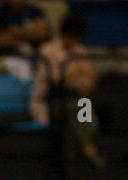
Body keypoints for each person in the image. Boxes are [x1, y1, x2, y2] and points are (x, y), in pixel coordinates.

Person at [30, 11, 101, 166]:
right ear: (66, 34)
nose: (76, 41)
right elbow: (57, 80)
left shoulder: (80, 50)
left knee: (79, 108)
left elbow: (89, 76)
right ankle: (87, 148)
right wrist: (76, 76)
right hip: (48, 99)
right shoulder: (47, 50)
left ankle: (68, 162)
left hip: (76, 98)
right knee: (73, 108)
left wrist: (83, 81)